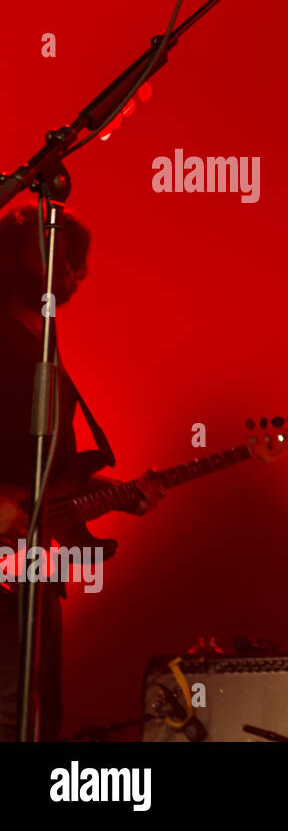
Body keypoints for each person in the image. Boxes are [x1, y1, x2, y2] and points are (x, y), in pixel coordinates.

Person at [0, 202, 164, 741]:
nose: (70, 270)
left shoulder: (44, 345)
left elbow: (56, 472)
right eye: (55, 254)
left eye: (74, 261)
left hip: (34, 564)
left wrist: (113, 493)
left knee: (35, 716)